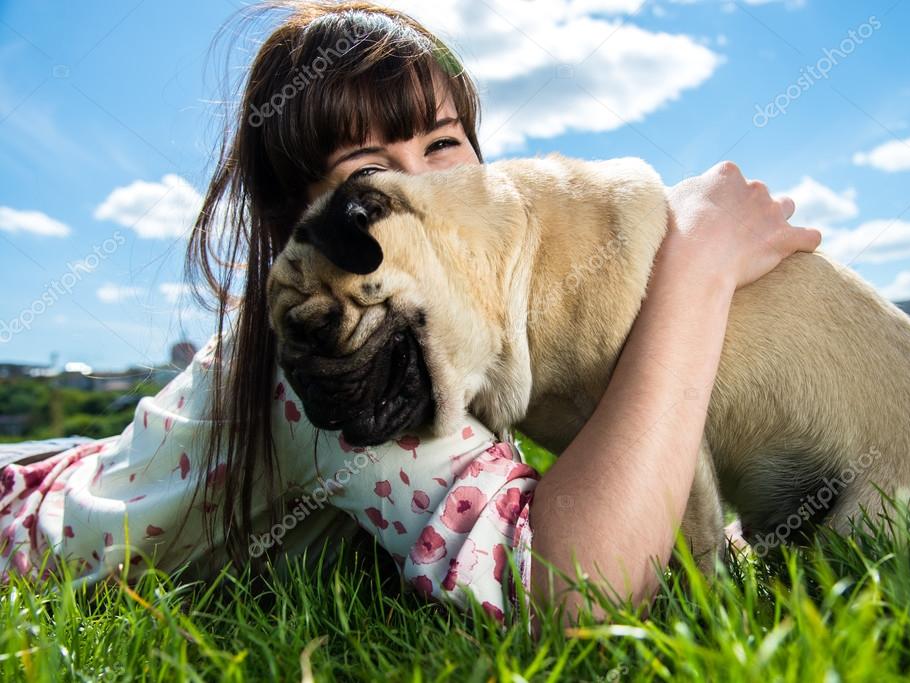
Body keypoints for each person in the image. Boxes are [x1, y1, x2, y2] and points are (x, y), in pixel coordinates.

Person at [0, 1, 820, 627]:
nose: (423, 191)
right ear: (302, 221)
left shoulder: (456, 286)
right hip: (41, 514)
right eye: (367, 169)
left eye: (441, 143)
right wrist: (694, 273)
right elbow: (574, 591)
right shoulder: (334, 354)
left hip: (100, 454)